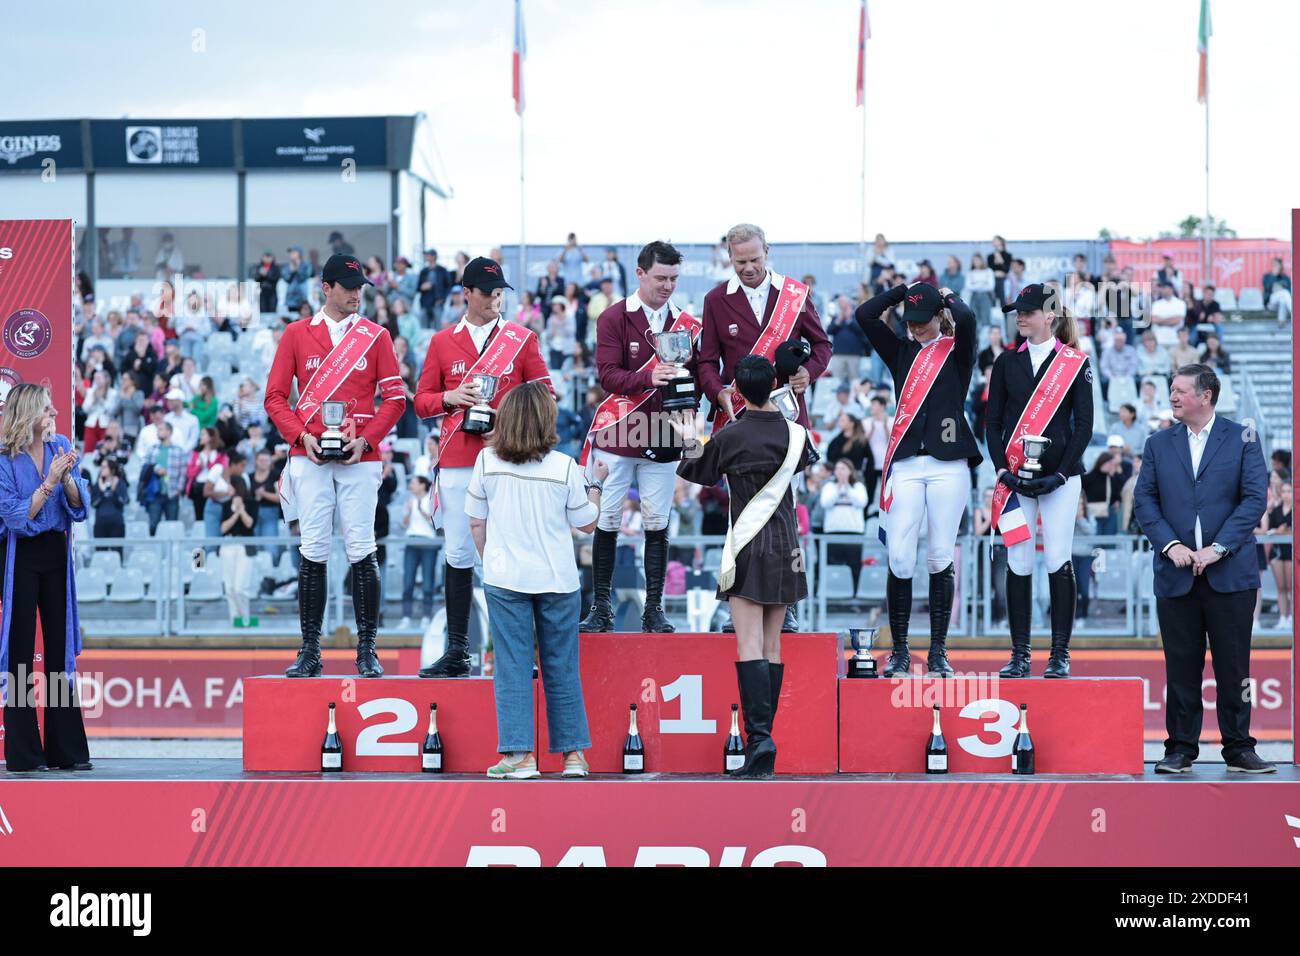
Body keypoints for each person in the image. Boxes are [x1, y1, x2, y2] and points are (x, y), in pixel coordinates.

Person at [264, 252, 407, 679]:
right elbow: (274, 397)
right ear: (326, 288)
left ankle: (367, 649)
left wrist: (366, 440)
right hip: (310, 454)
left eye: (360, 287)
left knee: (362, 546)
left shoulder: (376, 336)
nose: (356, 294)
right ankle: (310, 650)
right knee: (313, 549)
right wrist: (301, 437)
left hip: (359, 456)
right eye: (348, 287)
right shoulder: (295, 334)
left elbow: (397, 399)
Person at [413, 257, 551, 677]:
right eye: (489, 292)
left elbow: (545, 393)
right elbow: (420, 402)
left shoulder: (521, 338)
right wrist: (451, 398)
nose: (496, 299)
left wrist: (510, 423)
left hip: (506, 458)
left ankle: (516, 653)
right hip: (457, 459)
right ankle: (458, 651)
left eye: (500, 292)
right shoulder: (441, 342)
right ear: (466, 293)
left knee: (510, 554)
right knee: (457, 554)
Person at [677, 356, 814, 777]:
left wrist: (688, 436)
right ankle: (764, 739)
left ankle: (759, 741)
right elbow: (808, 460)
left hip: (748, 546)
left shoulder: (730, 435)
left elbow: (695, 470)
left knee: (749, 645)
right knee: (773, 647)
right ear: (774, 382)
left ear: (737, 389)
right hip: (788, 543)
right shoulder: (796, 434)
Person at [1132, 364, 1274, 773]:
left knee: (1235, 667)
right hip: (1175, 574)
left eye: (1179, 390)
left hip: (1230, 575)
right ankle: (1179, 749)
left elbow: (1253, 500)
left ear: (1206, 395)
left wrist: (1219, 548)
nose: (1172, 396)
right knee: (1180, 667)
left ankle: (1240, 747)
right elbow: (1145, 503)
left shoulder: (1243, 438)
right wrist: (1172, 545)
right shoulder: (1158, 443)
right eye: (1171, 390)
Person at [465, 382, 604, 779]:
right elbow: (587, 524)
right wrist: (595, 485)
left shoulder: (487, 461)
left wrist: (491, 558)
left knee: (512, 666)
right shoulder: (563, 466)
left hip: (506, 577)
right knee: (561, 665)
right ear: (548, 420)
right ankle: (574, 757)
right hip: (558, 578)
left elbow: (476, 521)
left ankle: (520, 756)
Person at [697, 223, 832, 632]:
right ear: (729, 258)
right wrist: (717, 391)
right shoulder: (716, 300)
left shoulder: (795, 295)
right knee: (739, 516)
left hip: (787, 421)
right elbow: (706, 361)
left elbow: (822, 346)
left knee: (784, 514)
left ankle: (786, 603)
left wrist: (809, 372)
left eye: (755, 259)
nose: (749, 268)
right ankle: (738, 601)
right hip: (740, 421)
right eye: (740, 262)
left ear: (767, 252)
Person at [854, 281, 982, 676]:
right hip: (907, 463)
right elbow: (864, 315)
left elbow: (968, 317)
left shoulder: (956, 350)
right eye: (910, 322)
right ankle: (901, 650)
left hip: (948, 464)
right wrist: (899, 292)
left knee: (940, 555)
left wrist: (943, 297)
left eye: (922, 321)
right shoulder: (901, 351)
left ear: (937, 317)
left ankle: (939, 650)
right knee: (899, 556)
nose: (915, 328)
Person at [580, 241, 700, 634]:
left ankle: (654, 608)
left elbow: (695, 378)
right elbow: (607, 374)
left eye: (674, 279)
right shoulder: (614, 317)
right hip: (618, 431)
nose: (668, 286)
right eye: (661, 278)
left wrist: (690, 414)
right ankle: (601, 606)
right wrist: (649, 377)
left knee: (657, 521)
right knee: (607, 519)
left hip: (664, 433)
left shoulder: (686, 322)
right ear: (641, 273)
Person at [985, 284, 1094, 678]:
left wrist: (1062, 472)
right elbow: (992, 423)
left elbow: (1084, 426)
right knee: (1018, 559)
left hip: (1061, 478)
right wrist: (1002, 470)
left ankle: (1060, 654)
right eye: (1017, 311)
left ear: (1049, 315)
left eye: (1027, 311)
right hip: (1015, 476)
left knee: (1058, 557)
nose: (1020, 317)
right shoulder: (1005, 362)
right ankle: (1020, 654)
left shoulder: (1075, 362)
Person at [0, 384, 92, 772]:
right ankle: (24, 753)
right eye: (46, 409)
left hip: (56, 553)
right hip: (22, 557)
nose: (53, 413)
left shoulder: (61, 446)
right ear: (29, 415)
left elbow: (79, 506)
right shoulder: (5, 458)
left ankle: (66, 750)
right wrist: (50, 481)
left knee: (60, 651)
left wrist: (68, 478)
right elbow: (15, 516)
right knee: (21, 653)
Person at [218, 450, 258, 628]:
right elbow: (223, 528)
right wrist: (234, 514)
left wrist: (241, 510)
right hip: (228, 544)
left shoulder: (251, 504)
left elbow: (250, 524)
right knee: (229, 587)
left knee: (240, 587)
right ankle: (234, 621)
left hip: (244, 545)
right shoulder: (226, 505)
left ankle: (246, 620)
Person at [820, 459, 868, 593]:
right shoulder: (829, 487)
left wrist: (847, 487)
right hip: (832, 532)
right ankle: (832, 592)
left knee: (854, 566)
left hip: (854, 532)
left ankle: (854, 594)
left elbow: (861, 502)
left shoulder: (858, 487)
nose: (840, 472)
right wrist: (838, 489)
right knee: (832, 565)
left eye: (843, 469)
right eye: (838, 469)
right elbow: (826, 503)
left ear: (850, 471)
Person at [399, 474, 438, 629]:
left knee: (428, 582)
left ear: (422, 485)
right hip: (412, 541)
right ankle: (406, 617)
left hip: (428, 542)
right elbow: (403, 524)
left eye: (415, 483)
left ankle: (426, 617)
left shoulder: (430, 499)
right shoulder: (409, 501)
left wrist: (421, 509)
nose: (412, 485)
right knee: (408, 582)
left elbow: (434, 522)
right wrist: (409, 511)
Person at [1261, 474, 1292, 630]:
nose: (1287, 494)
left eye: (1289, 491)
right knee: (1281, 587)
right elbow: (1269, 529)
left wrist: (1288, 531)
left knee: (1291, 587)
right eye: (1285, 491)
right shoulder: (1277, 509)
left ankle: (1292, 617)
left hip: (1292, 552)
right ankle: (1282, 617)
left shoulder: (1296, 510)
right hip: (1278, 552)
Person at [90, 458, 129, 547]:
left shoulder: (120, 483)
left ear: (112, 469)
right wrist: (102, 491)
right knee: (100, 553)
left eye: (104, 467)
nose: (101, 469)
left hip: (117, 523)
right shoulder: (98, 484)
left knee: (117, 551)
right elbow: (93, 503)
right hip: (100, 523)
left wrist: (114, 489)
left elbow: (123, 501)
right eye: (101, 467)